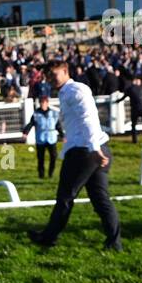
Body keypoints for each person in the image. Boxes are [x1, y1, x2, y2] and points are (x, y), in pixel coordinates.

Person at [29, 60, 121, 251]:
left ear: (65, 71)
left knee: (65, 197)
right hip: (93, 148)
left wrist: (94, 148)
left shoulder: (75, 90)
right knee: (100, 199)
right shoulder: (68, 92)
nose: (51, 79)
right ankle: (114, 242)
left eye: (54, 75)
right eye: (48, 76)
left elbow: (88, 119)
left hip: (85, 151)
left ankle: (49, 237)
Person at [21, 94, 62, 179]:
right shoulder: (36, 114)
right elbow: (31, 124)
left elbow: (58, 125)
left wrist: (62, 135)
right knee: (41, 159)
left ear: (47, 103)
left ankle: (51, 173)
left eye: (45, 102)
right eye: (42, 102)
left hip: (51, 138)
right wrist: (25, 132)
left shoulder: (53, 113)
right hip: (41, 139)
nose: (43, 104)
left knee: (53, 157)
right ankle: (41, 175)